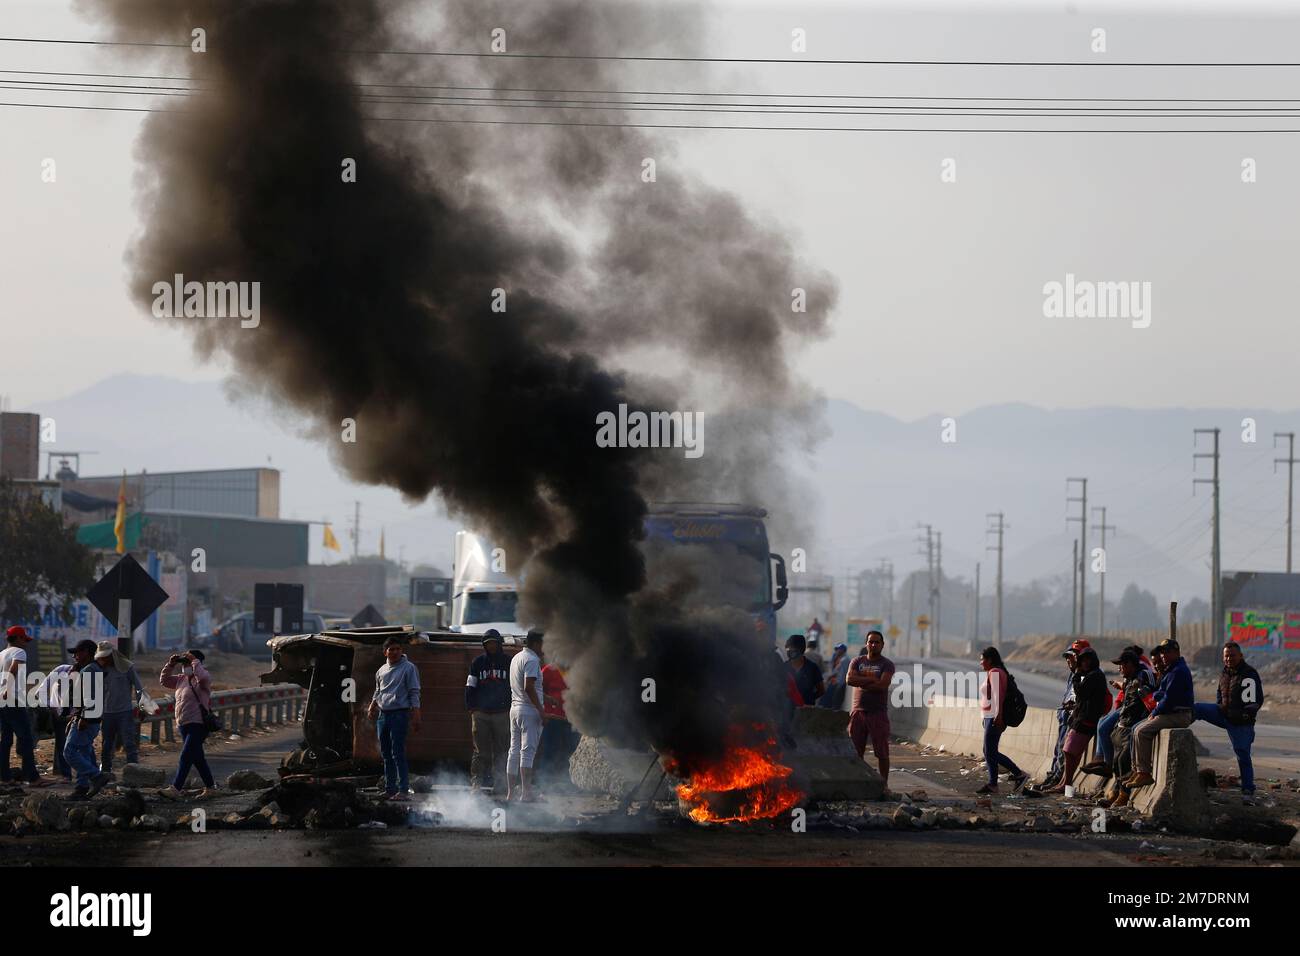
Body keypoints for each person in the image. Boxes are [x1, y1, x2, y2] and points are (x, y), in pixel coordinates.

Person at [1193, 641, 1263, 798]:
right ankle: (1174, 727)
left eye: (1232, 655)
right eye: (1226, 656)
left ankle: (1248, 790)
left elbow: (1255, 702)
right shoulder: (1225, 672)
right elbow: (1220, 693)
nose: (1229, 659)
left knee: (1243, 755)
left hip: (1240, 723)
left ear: (1240, 656)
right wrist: (1220, 706)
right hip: (1223, 714)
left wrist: (1244, 717)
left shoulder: (1249, 674)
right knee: (1197, 709)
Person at [1125, 638, 1195, 790]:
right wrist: (1156, 696)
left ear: (1176, 653)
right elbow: (1162, 693)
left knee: (1142, 731)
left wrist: (1155, 711)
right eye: (1162, 652)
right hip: (1170, 713)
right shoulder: (1171, 670)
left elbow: (1169, 699)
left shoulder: (1178, 671)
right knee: (1135, 729)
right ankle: (1137, 770)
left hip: (1179, 715)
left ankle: (1144, 773)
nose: (1163, 656)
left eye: (1167, 652)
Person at [1093, 650, 1156, 809]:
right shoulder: (1129, 680)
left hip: (1133, 727)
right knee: (1117, 762)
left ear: (1130, 665)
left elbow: (1150, 701)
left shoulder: (1142, 678)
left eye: (1121, 665)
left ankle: (1123, 796)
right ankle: (1115, 793)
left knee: (1123, 761)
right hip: (1123, 726)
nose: (1119, 668)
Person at [1044, 646, 1108, 794]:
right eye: (1083, 661)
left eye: (1087, 661)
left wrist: (1076, 675)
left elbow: (1081, 693)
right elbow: (1085, 697)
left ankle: (1066, 784)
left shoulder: (1094, 676)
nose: (1085, 663)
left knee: (1068, 751)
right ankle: (1064, 785)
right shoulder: (1093, 675)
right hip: (1082, 717)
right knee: (1070, 753)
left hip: (1086, 720)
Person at [365, 637, 422, 801]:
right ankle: (390, 789)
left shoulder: (408, 668)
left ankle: (403, 790)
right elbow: (378, 691)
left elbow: (414, 691)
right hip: (383, 715)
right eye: (392, 649)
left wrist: (416, 714)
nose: (395, 652)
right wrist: (372, 706)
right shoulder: (381, 670)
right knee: (386, 753)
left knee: (398, 752)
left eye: (398, 649)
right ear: (385, 652)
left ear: (402, 651)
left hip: (400, 713)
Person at [158, 649, 219, 798]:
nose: (184, 665)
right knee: (197, 758)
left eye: (187, 662)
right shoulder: (181, 679)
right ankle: (211, 788)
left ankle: (175, 788)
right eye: (183, 662)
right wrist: (170, 664)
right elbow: (164, 681)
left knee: (186, 755)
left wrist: (194, 660)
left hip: (198, 724)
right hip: (183, 724)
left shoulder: (202, 679)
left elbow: (203, 677)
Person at [845, 630, 895, 788]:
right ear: (866, 644)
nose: (873, 645)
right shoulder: (856, 661)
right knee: (855, 752)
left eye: (877, 642)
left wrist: (861, 681)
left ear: (882, 645)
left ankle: (883, 785)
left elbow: (882, 685)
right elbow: (849, 679)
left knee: (881, 752)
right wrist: (871, 679)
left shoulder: (886, 664)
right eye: (870, 641)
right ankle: (856, 783)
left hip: (878, 713)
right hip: (858, 712)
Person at [976, 646, 1028, 795]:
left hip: (994, 717)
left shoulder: (996, 672)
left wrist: (998, 716)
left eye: (982, 659)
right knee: (988, 751)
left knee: (990, 751)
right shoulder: (994, 672)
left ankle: (1019, 774)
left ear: (990, 659)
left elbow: (999, 695)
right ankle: (993, 784)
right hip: (989, 717)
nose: (980, 663)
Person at [64, 640, 112, 799]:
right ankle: (81, 788)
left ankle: (96, 777)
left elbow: (92, 696)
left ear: (86, 652)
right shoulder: (89, 669)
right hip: (90, 718)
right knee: (83, 753)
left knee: (69, 752)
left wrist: (83, 716)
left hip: (88, 719)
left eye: (77, 652)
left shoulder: (90, 669)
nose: (74, 656)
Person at [465, 629, 510, 796]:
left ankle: (501, 784)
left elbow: (515, 686)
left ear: (499, 644)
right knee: (479, 751)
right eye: (488, 643)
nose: (491, 646)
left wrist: (510, 708)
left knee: (502, 751)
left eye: (494, 643)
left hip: (502, 713)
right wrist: (472, 708)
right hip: (481, 714)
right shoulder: (477, 663)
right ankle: (476, 785)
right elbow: (470, 686)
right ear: (484, 645)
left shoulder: (508, 662)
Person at [0, 625, 45, 788]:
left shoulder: (1, 654)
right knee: (25, 738)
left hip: (2, 702)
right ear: (18, 638)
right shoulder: (19, 652)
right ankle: (32, 777)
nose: (26, 643)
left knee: (5, 740)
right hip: (13, 699)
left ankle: (4, 777)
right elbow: (14, 668)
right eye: (24, 639)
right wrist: (7, 689)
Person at [37, 643, 86, 782]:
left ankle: (86, 775)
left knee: (81, 747)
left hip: (78, 716)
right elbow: (40, 691)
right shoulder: (61, 670)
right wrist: (52, 707)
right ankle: (67, 775)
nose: (74, 657)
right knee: (62, 745)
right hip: (60, 716)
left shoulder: (89, 674)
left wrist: (76, 713)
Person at [94, 641, 145, 773]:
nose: (103, 659)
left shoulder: (127, 667)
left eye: (105, 656)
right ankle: (105, 771)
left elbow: (139, 688)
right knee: (106, 744)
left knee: (129, 743)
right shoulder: (98, 669)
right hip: (107, 713)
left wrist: (142, 707)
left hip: (124, 712)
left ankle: (134, 771)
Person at [507, 629, 545, 802]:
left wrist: (548, 698)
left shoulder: (517, 658)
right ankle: (526, 793)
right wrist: (541, 710)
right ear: (537, 643)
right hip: (529, 711)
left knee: (514, 751)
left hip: (514, 708)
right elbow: (529, 686)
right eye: (543, 644)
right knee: (527, 752)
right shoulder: (532, 659)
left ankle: (510, 793)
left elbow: (528, 687)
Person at [1040, 645, 1079, 789]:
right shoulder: (1073, 674)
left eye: (1072, 657)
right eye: (1067, 657)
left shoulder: (1082, 675)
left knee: (1063, 751)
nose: (1069, 660)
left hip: (1073, 720)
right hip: (1064, 718)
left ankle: (1057, 780)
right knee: (1057, 749)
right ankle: (1053, 776)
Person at [539, 658, 578, 783]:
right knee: (550, 750)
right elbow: (539, 691)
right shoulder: (548, 670)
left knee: (568, 751)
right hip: (552, 718)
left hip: (571, 719)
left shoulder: (576, 671)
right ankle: (545, 782)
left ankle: (564, 782)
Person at [784, 634, 824, 706]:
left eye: (793, 650)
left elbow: (821, 690)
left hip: (806, 711)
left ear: (801, 650)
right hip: (786, 711)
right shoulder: (783, 667)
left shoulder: (812, 668)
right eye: (788, 650)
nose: (790, 653)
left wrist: (810, 699)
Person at [817, 642, 851, 709]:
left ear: (843, 650)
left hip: (837, 684)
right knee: (826, 699)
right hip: (832, 682)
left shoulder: (845, 660)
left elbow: (842, 674)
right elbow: (831, 669)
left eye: (838, 649)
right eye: (836, 649)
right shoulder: (836, 657)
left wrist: (839, 685)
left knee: (833, 702)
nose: (837, 651)